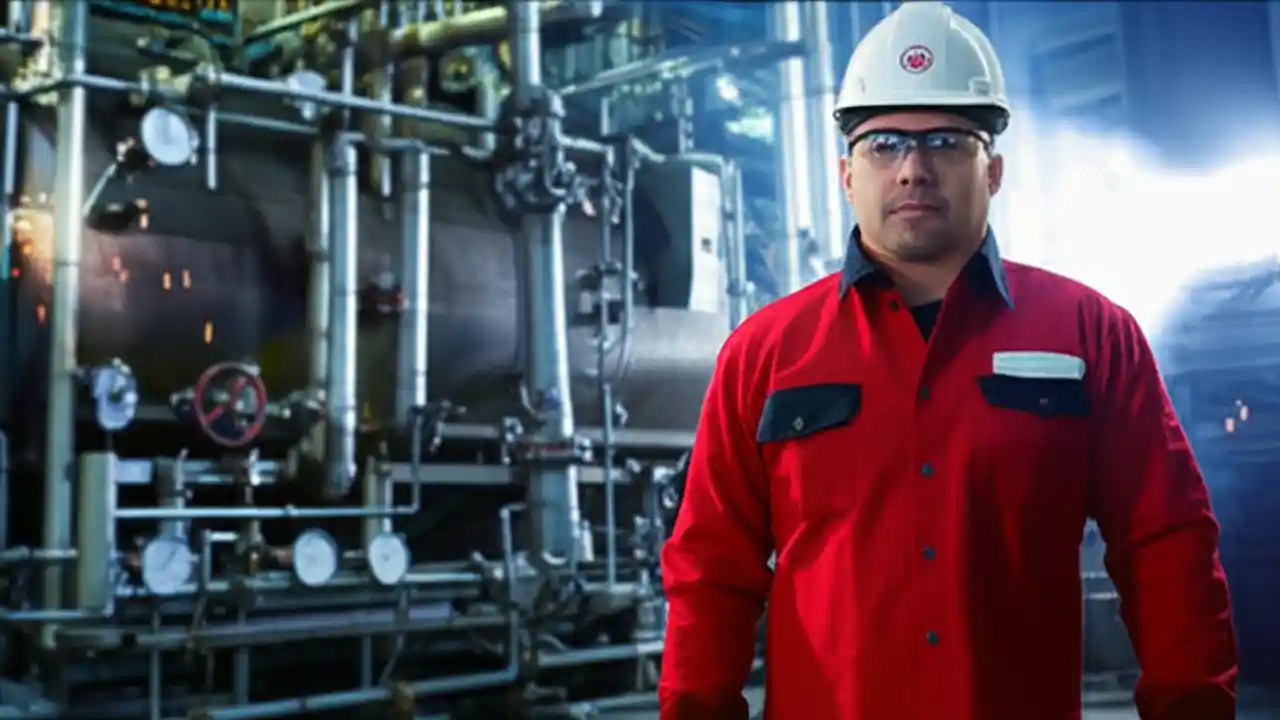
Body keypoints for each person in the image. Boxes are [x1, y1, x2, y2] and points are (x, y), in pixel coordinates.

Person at [658, 2, 1239, 719]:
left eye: (944, 140)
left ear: (992, 170)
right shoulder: (765, 354)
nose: (912, 169)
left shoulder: (1090, 336)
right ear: (846, 174)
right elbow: (711, 566)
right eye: (883, 144)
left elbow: (1167, 543)